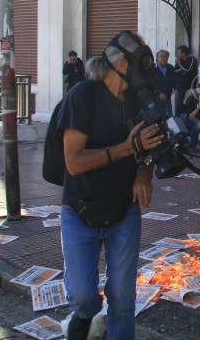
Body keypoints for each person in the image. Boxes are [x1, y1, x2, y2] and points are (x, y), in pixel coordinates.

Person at [58, 31, 163, 339]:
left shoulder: (137, 103)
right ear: (119, 64)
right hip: (80, 211)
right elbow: (74, 161)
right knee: (83, 297)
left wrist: (144, 173)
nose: (146, 71)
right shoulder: (82, 96)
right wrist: (126, 149)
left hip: (123, 214)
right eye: (140, 64)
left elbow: (148, 147)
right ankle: (85, 315)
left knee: (123, 300)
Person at [173, 45, 198, 117]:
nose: (178, 55)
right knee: (178, 107)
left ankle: (188, 124)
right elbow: (175, 71)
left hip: (189, 88)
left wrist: (180, 64)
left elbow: (188, 70)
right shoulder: (179, 61)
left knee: (188, 106)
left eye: (179, 53)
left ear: (184, 53)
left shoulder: (192, 59)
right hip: (180, 88)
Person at [154, 50, 176, 115]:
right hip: (155, 99)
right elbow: (150, 84)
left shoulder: (171, 68)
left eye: (166, 56)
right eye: (161, 56)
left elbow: (175, 80)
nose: (164, 58)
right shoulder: (152, 68)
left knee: (169, 119)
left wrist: (176, 88)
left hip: (167, 98)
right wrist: (159, 93)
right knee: (156, 119)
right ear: (157, 58)